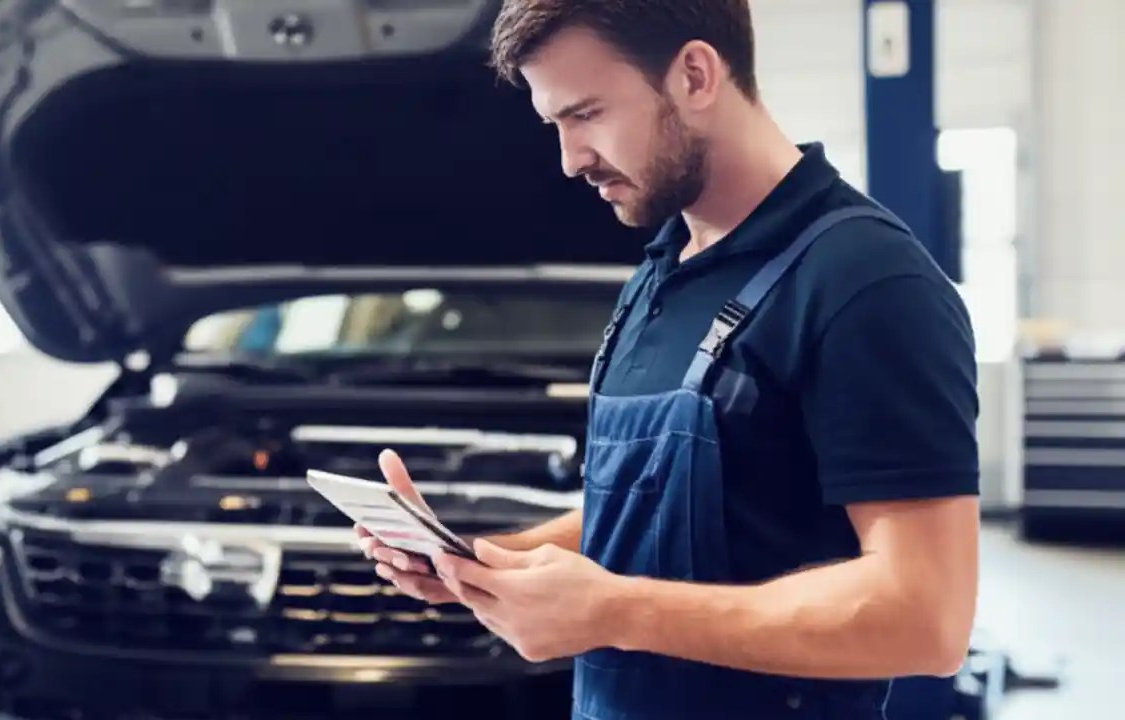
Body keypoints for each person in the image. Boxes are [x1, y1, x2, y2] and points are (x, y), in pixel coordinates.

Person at [357, 1, 981, 717]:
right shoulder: (661, 272)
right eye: (555, 124)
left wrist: (616, 611)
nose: (569, 160)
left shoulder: (866, 283)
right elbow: (654, 508)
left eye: (587, 114)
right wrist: (487, 561)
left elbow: (925, 617)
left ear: (695, 75)